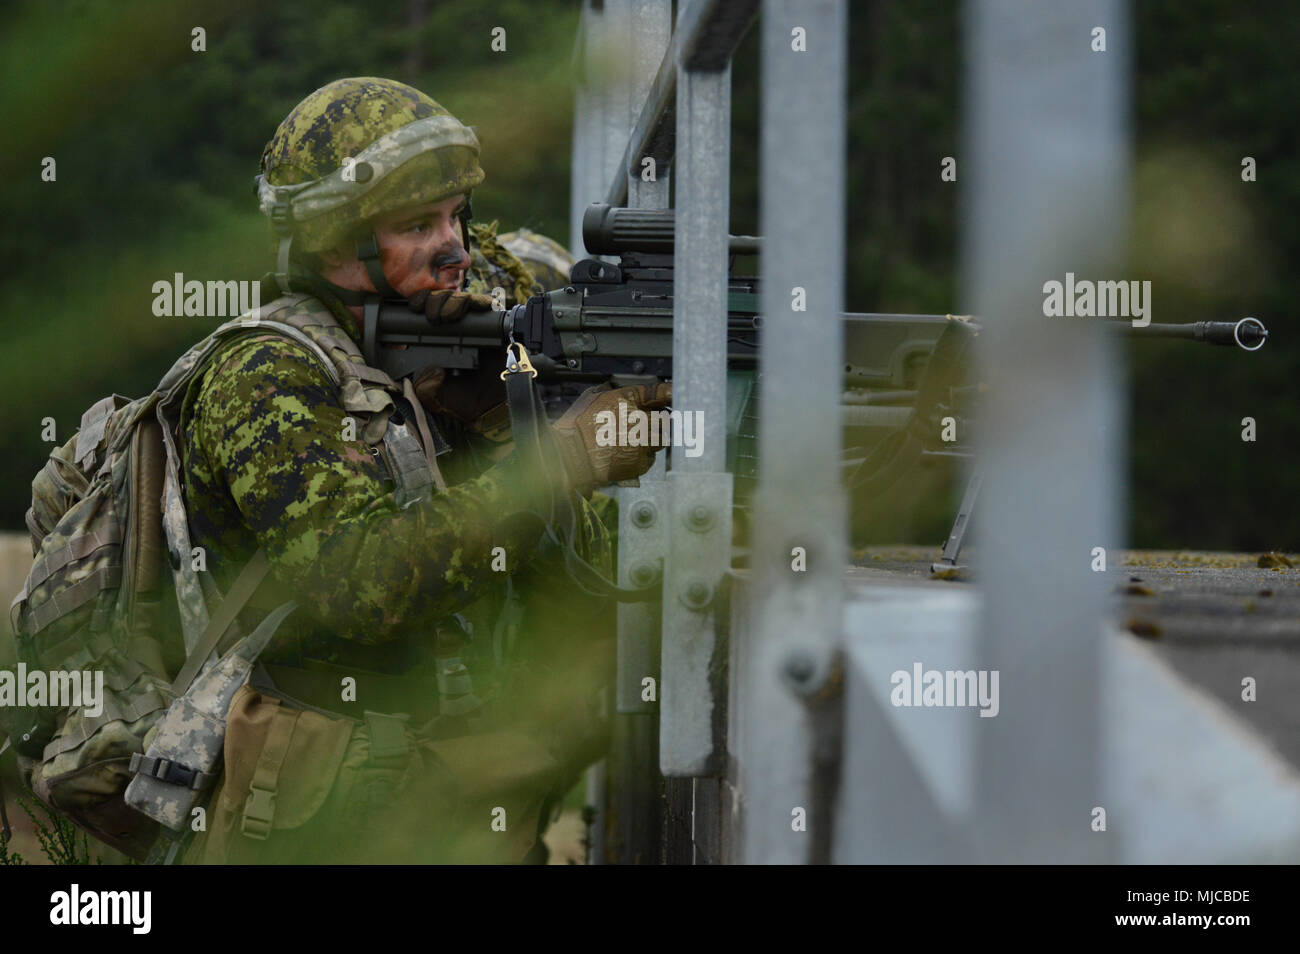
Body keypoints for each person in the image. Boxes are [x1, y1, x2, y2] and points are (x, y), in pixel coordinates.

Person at [173, 76, 669, 863]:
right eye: (416, 224)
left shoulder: (409, 363)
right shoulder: (267, 372)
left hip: (449, 785)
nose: (455, 247)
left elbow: (570, 593)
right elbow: (353, 586)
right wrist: (559, 461)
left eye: (454, 217)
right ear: (336, 240)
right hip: (330, 811)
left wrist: (499, 422)